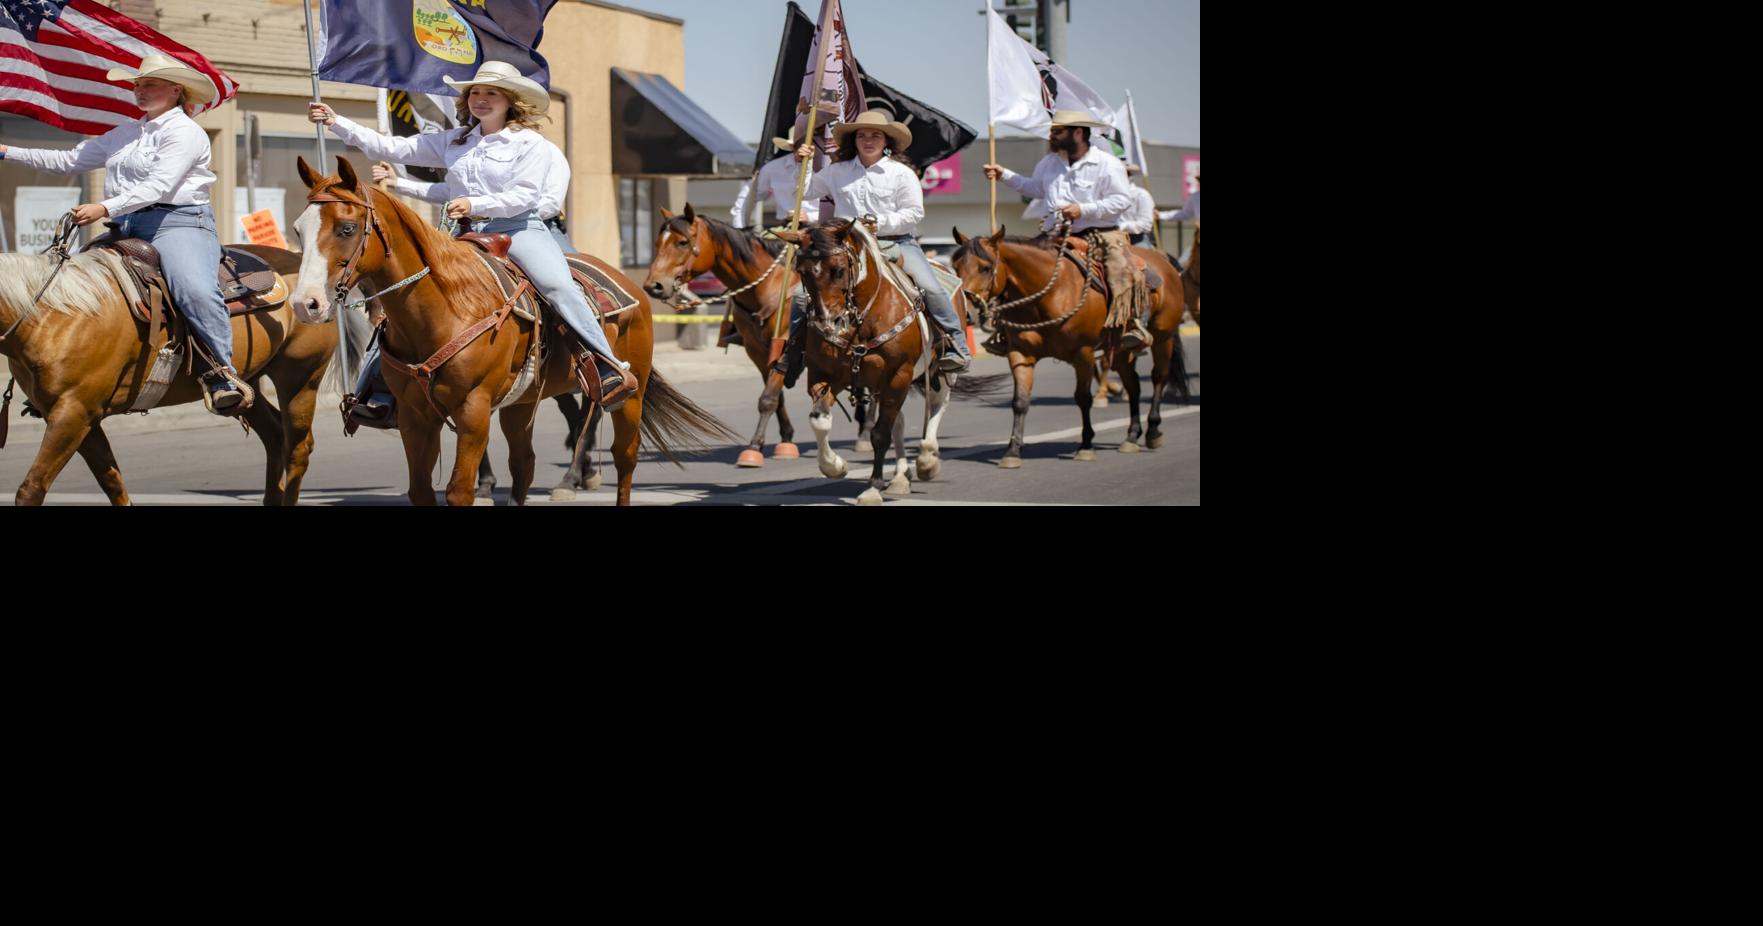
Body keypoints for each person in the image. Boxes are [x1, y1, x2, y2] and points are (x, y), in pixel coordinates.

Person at [308, 60, 635, 410]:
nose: (480, 99)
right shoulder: (455, 140)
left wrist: (473, 202)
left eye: (490, 92)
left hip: (518, 231)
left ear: (510, 100)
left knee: (557, 286)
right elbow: (392, 148)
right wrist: (335, 121)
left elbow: (525, 197)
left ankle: (605, 364)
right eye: (475, 92)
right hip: (463, 236)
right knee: (405, 295)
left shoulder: (529, 144)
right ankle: (378, 387)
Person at [1, 52, 252, 414]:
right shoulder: (125, 134)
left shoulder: (186, 132)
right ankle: (70, 373)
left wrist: (104, 207)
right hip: (125, 226)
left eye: (149, 84)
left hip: (177, 223)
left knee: (193, 288)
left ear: (175, 89)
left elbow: (160, 185)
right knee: (71, 284)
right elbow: (68, 161)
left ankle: (221, 372)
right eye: (137, 85)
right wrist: (6, 151)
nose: (139, 91)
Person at [781, 110, 970, 377]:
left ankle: (956, 346)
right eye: (862, 135)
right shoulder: (836, 172)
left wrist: (878, 223)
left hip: (896, 242)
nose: (868, 140)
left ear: (886, 142)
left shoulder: (902, 174)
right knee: (801, 296)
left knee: (932, 288)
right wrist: (802, 164)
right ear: (854, 141)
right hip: (847, 248)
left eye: (875, 135)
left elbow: (914, 213)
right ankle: (795, 353)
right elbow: (804, 191)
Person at [983, 110, 1152, 350]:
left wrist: (1083, 209)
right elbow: (1035, 188)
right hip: (1055, 235)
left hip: (1100, 235)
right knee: (1017, 266)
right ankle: (1004, 330)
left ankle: (1131, 323)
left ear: (1079, 133)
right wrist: (1004, 175)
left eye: (1057, 131)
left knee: (1121, 270)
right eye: (1052, 131)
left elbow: (1121, 200)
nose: (1051, 136)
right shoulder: (1049, 163)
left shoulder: (1107, 163)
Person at [731, 120, 814, 230]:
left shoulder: (826, 168)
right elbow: (749, 196)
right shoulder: (772, 168)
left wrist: (810, 217)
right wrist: (739, 230)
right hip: (787, 228)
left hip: (819, 230)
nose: (804, 149)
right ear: (792, 146)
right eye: (800, 145)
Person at [1120, 163, 1157, 247]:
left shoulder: (1141, 195)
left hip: (1136, 239)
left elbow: (1146, 224)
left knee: (1142, 256)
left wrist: (1122, 226)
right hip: (1109, 237)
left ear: (1129, 175)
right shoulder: (1106, 194)